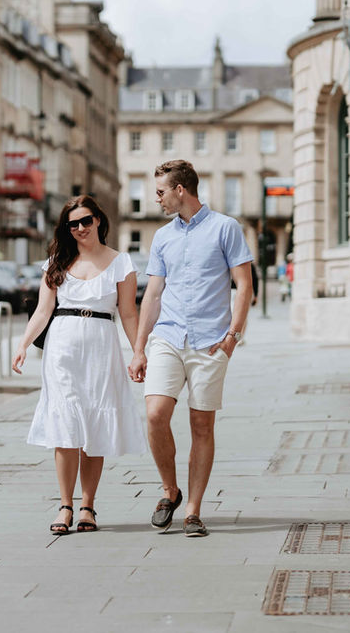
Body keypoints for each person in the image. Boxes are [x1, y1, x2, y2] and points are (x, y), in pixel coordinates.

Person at [128, 160, 253, 539]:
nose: (157, 198)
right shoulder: (163, 237)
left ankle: (194, 512)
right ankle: (170, 490)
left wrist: (232, 336)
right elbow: (152, 293)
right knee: (155, 415)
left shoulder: (225, 228)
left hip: (210, 340)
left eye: (161, 191)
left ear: (181, 190)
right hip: (168, 335)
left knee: (202, 424)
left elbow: (244, 285)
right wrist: (138, 349)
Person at [12, 195, 148, 535]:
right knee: (65, 424)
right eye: (73, 224)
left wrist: (138, 352)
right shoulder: (57, 262)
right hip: (62, 348)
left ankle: (88, 505)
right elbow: (43, 311)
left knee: (95, 425)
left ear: (99, 220)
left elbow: (129, 314)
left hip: (102, 346)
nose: (80, 228)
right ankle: (65, 505)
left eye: (86, 221)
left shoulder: (121, 263)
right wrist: (23, 344)